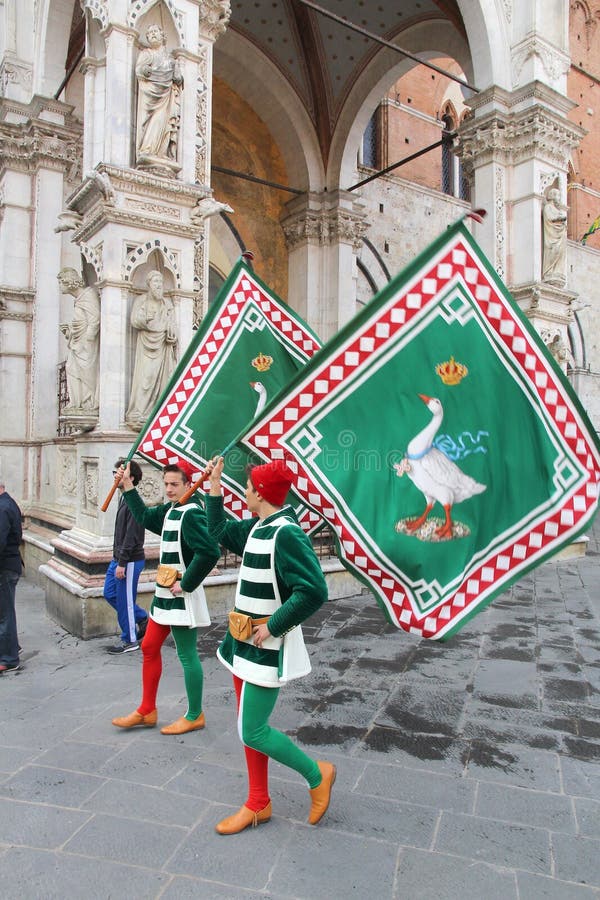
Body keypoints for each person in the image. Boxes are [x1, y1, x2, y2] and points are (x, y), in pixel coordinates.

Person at [205, 456, 335, 835]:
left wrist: (274, 626)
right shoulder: (260, 525)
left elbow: (314, 590)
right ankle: (258, 802)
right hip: (241, 643)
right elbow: (218, 529)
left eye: (246, 486)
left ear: (259, 493)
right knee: (249, 724)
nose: (243, 491)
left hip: (265, 646)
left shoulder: (286, 533)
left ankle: (317, 775)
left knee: (252, 730)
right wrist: (214, 485)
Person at [112, 460, 220, 735]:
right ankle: (147, 710)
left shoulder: (193, 513)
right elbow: (145, 518)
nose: (169, 489)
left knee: (186, 654)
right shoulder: (173, 509)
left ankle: (195, 714)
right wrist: (127, 487)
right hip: (164, 594)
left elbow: (209, 552)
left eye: (174, 484)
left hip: (180, 593)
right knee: (149, 646)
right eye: (166, 483)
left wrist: (187, 582)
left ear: (187, 484)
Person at [103, 458, 148, 654]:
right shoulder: (123, 497)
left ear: (130, 477)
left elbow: (131, 536)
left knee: (125, 600)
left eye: (119, 473)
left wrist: (122, 562)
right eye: (114, 473)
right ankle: (141, 618)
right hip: (119, 559)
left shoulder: (134, 502)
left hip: (128, 560)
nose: (115, 476)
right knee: (110, 593)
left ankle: (130, 640)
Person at [125, 270, 177, 428]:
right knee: (145, 378)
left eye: (161, 283)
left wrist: (171, 333)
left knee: (163, 379)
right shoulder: (141, 300)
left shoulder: (166, 304)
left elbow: (172, 324)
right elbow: (134, 320)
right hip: (147, 347)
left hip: (163, 347)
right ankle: (139, 412)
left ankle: (158, 411)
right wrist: (145, 320)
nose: (159, 285)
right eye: (156, 282)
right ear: (149, 284)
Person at [135, 24, 183, 168]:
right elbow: (139, 70)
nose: (152, 35)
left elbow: (179, 80)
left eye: (155, 32)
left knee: (163, 120)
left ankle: (162, 153)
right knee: (152, 121)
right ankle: (147, 150)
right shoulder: (147, 54)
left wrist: (178, 75)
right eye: (149, 33)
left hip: (167, 97)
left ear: (163, 36)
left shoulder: (171, 60)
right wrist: (145, 70)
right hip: (151, 94)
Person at [58, 268, 101, 413]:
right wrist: (69, 332)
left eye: (61, 282)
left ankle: (88, 402)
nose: (59, 286)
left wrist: (88, 338)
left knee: (86, 371)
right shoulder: (78, 300)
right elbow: (80, 324)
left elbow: (94, 319)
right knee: (70, 368)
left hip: (87, 345)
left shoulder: (88, 295)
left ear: (69, 282)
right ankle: (77, 403)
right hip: (78, 344)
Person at [0, 482, 22, 674]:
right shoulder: (8, 503)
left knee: (5, 614)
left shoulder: (3, 507)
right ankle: (11, 647)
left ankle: (9, 658)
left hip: (5, 567)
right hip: (9, 566)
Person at [542, 187, 568, 287]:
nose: (559, 198)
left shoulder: (556, 209)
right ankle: (549, 272)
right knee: (554, 250)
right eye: (557, 195)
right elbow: (550, 218)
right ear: (552, 196)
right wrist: (560, 218)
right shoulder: (548, 207)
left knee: (560, 252)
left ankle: (557, 272)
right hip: (552, 236)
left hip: (560, 235)